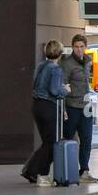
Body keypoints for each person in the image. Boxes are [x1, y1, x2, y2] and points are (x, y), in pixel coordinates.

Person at [22, 40, 70, 185]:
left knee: (47, 142)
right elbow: (55, 91)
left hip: (37, 106)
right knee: (51, 142)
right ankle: (41, 174)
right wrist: (65, 90)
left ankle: (30, 170)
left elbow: (40, 85)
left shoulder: (41, 65)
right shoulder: (56, 69)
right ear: (60, 53)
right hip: (49, 108)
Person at [60, 33, 98, 184]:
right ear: (72, 47)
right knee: (68, 138)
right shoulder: (67, 64)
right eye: (76, 47)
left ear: (85, 47)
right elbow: (63, 86)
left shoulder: (87, 61)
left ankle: (84, 171)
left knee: (87, 139)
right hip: (71, 106)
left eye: (81, 46)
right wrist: (63, 108)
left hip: (86, 106)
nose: (79, 49)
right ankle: (65, 170)